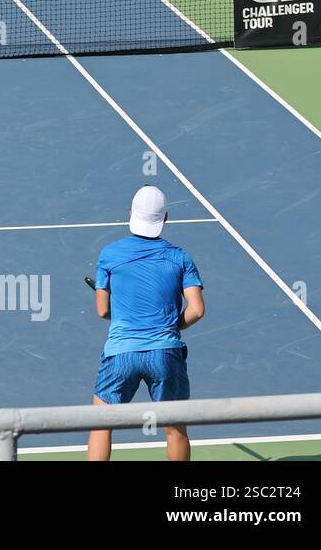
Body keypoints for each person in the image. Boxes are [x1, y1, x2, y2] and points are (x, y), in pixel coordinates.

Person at [88, 185, 205, 461]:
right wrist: (173, 326)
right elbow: (197, 310)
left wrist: (119, 309)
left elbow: (102, 311)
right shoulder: (180, 258)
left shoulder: (109, 255)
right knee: (175, 429)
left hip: (121, 355)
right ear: (166, 218)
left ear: (130, 214)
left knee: (101, 426)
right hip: (166, 355)